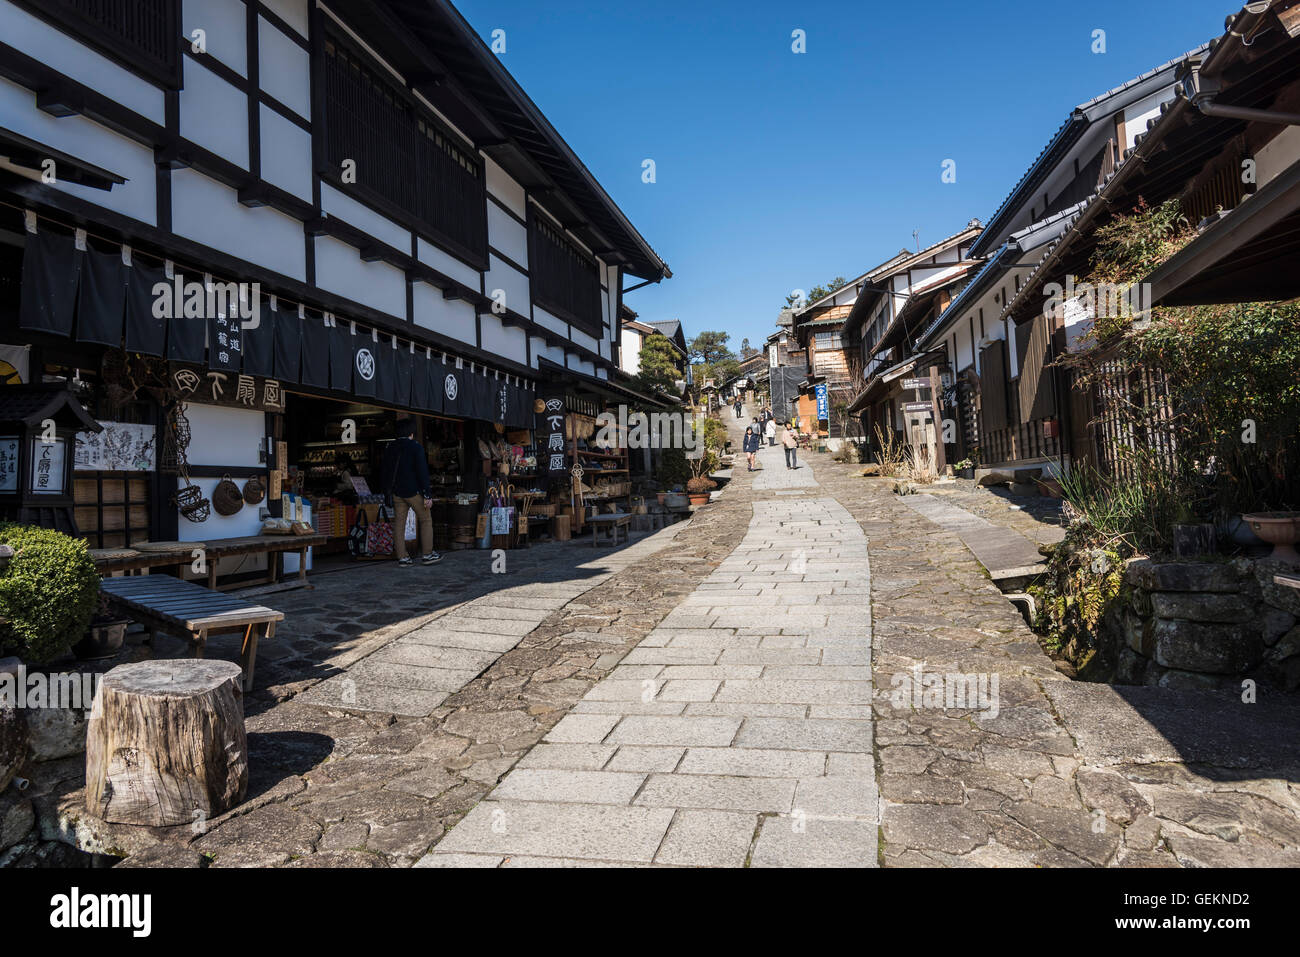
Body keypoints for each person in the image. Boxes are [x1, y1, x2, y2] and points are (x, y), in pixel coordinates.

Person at [380, 419, 441, 566]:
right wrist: (427, 494)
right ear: (412, 434)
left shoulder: (390, 447)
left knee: (399, 524)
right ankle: (427, 554)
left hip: (396, 492)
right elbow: (422, 472)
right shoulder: (416, 447)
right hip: (414, 492)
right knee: (426, 520)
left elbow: (385, 471)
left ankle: (402, 557)